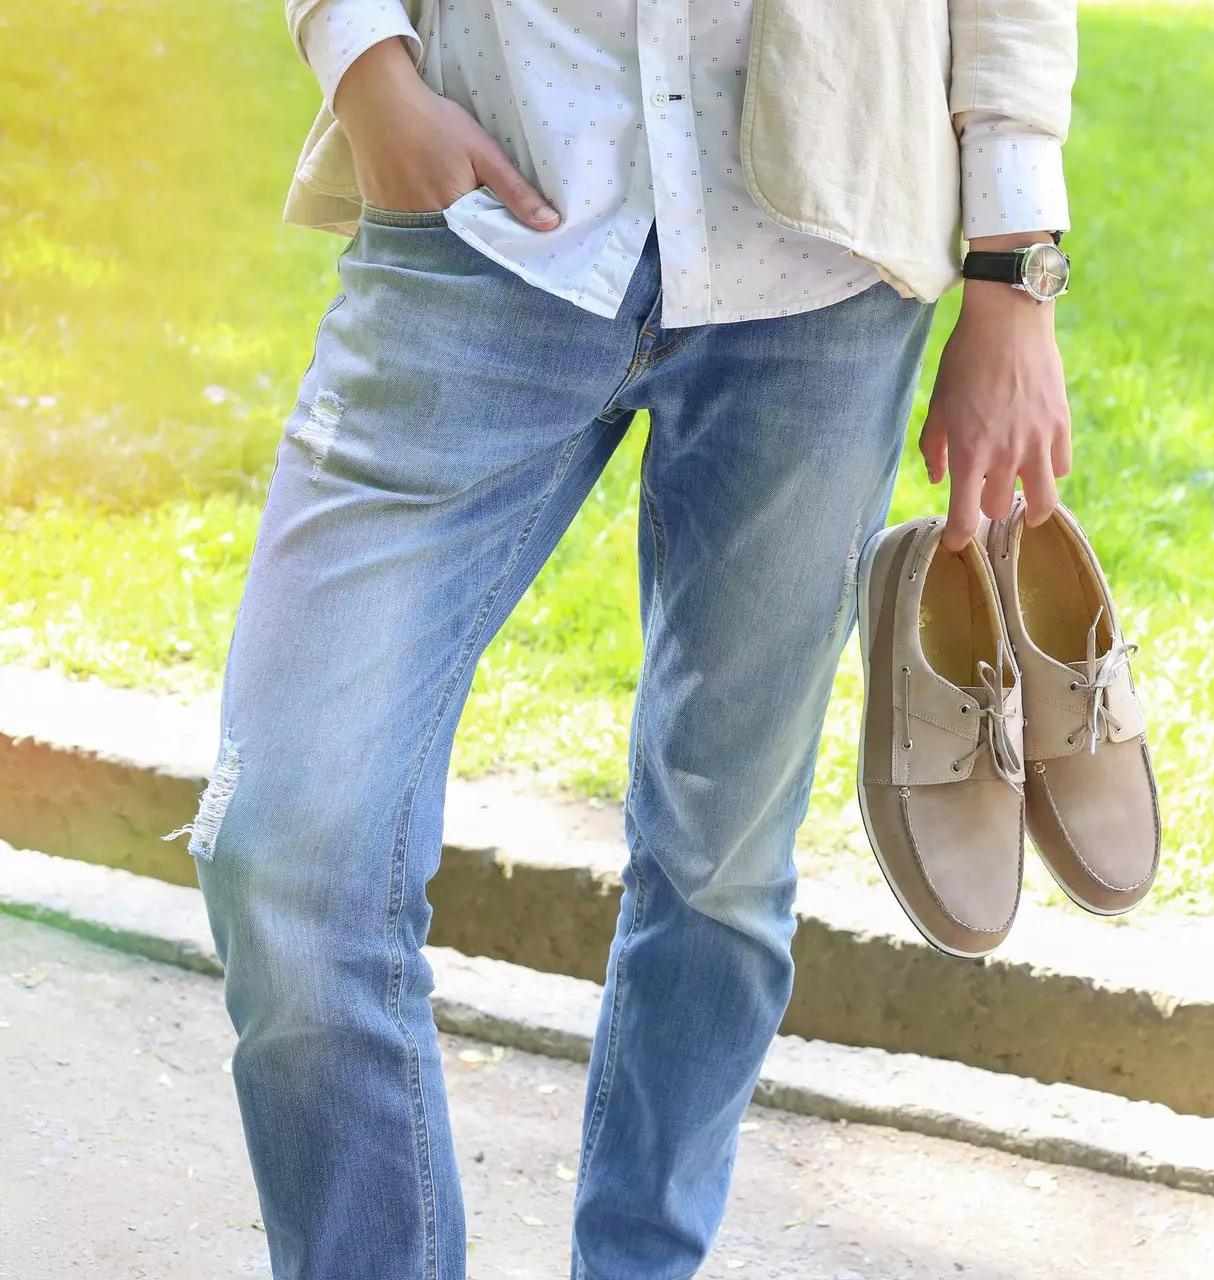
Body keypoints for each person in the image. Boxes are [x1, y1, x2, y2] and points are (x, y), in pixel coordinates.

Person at [185, 0, 1077, 1275]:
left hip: (819, 273)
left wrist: (1014, 273)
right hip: (488, 214)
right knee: (287, 837)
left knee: (719, 859)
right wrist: (367, 67)